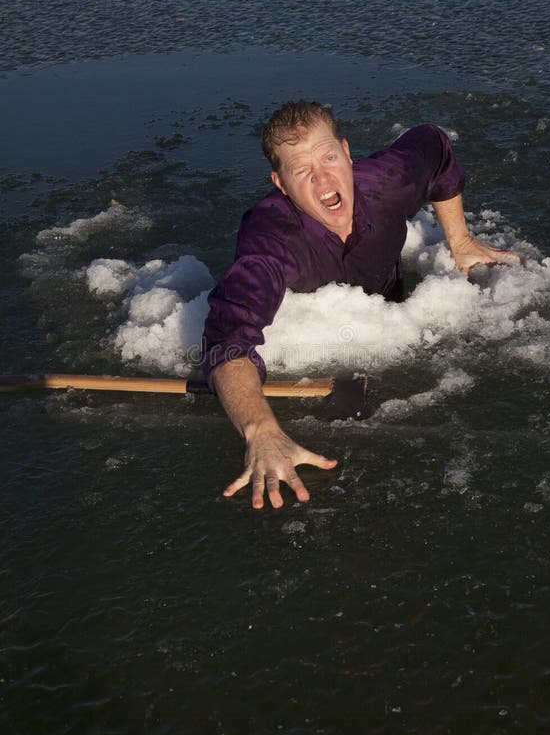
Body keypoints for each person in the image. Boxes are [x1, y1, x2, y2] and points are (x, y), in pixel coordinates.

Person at [201, 100, 519, 510]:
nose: (322, 178)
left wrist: (459, 240)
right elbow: (227, 339)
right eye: (301, 170)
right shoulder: (270, 240)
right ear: (280, 183)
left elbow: (434, 145)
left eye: (329, 157)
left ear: (347, 152)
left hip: (389, 309)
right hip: (324, 334)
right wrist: (260, 430)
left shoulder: (385, 183)